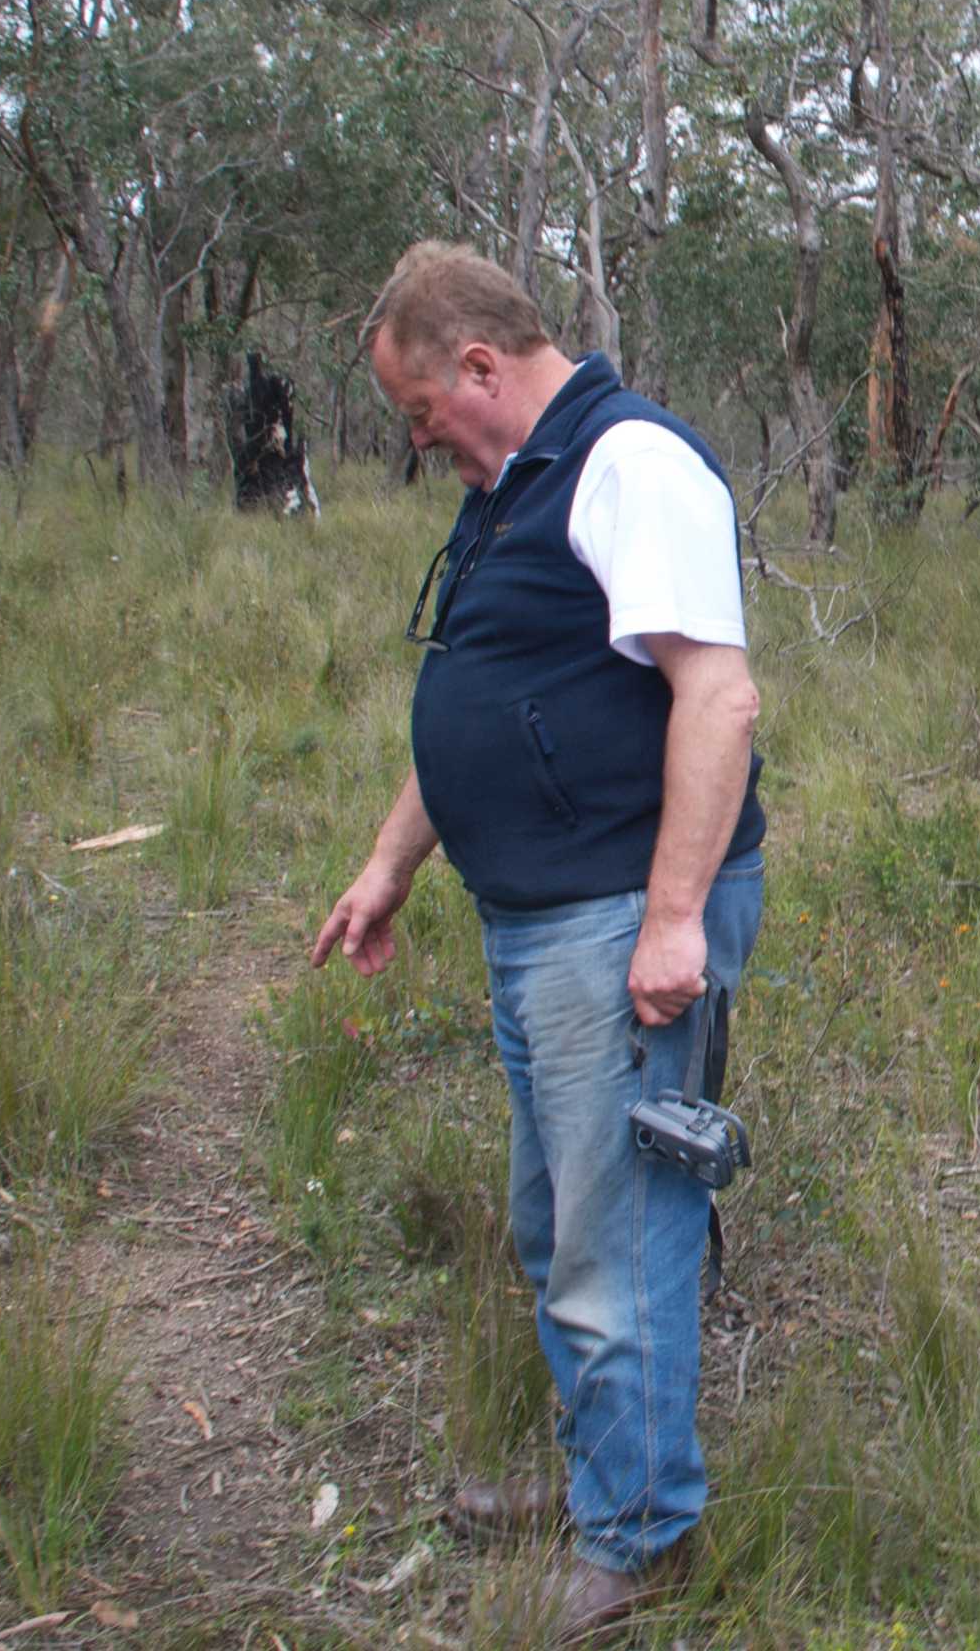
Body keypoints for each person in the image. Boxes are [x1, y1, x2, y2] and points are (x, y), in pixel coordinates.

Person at [310, 242, 766, 1640]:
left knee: (616, 1235)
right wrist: (393, 860)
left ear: (479, 368)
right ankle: (601, 1482)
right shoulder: (518, 493)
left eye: (420, 410)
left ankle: (641, 1538)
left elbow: (722, 699)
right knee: (555, 1221)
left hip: (619, 919)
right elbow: (484, 686)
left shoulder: (637, 466)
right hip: (537, 923)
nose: (419, 437)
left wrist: (675, 920)